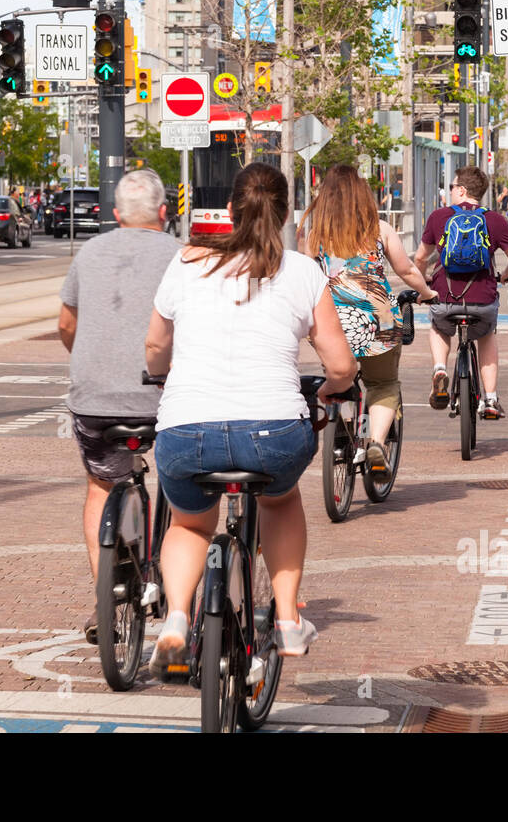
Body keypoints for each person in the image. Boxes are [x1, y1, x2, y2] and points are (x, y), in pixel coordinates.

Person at [144, 162, 356, 671]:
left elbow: (155, 345)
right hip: (274, 434)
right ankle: (286, 619)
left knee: (191, 524)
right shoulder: (305, 271)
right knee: (280, 501)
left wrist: (160, 373)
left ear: (230, 209)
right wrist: (330, 388)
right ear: (285, 212)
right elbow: (342, 364)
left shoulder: (188, 260)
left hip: (186, 431)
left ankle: (175, 620)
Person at [57, 169, 180, 644]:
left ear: (115, 215)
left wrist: (93, 366)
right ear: (165, 212)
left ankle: (105, 596)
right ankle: (167, 580)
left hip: (94, 400)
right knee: (180, 482)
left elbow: (67, 323)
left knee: (100, 486)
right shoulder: (179, 255)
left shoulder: (89, 251)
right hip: (161, 397)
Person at [299, 165, 435, 473]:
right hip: (378, 321)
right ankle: (375, 443)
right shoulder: (380, 229)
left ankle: (344, 432)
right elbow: (407, 270)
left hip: (332, 322)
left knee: (340, 377)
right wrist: (427, 293)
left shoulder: (315, 235)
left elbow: (305, 277)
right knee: (384, 383)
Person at [413, 165, 508, 420]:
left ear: (461, 190)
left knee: (439, 326)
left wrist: (425, 282)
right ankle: (491, 399)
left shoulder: (439, 217)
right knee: (485, 335)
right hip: (483, 299)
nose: (450, 191)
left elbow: (420, 258)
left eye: (452, 187)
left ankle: (440, 369)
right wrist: (503, 276)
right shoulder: (495, 220)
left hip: (445, 297)